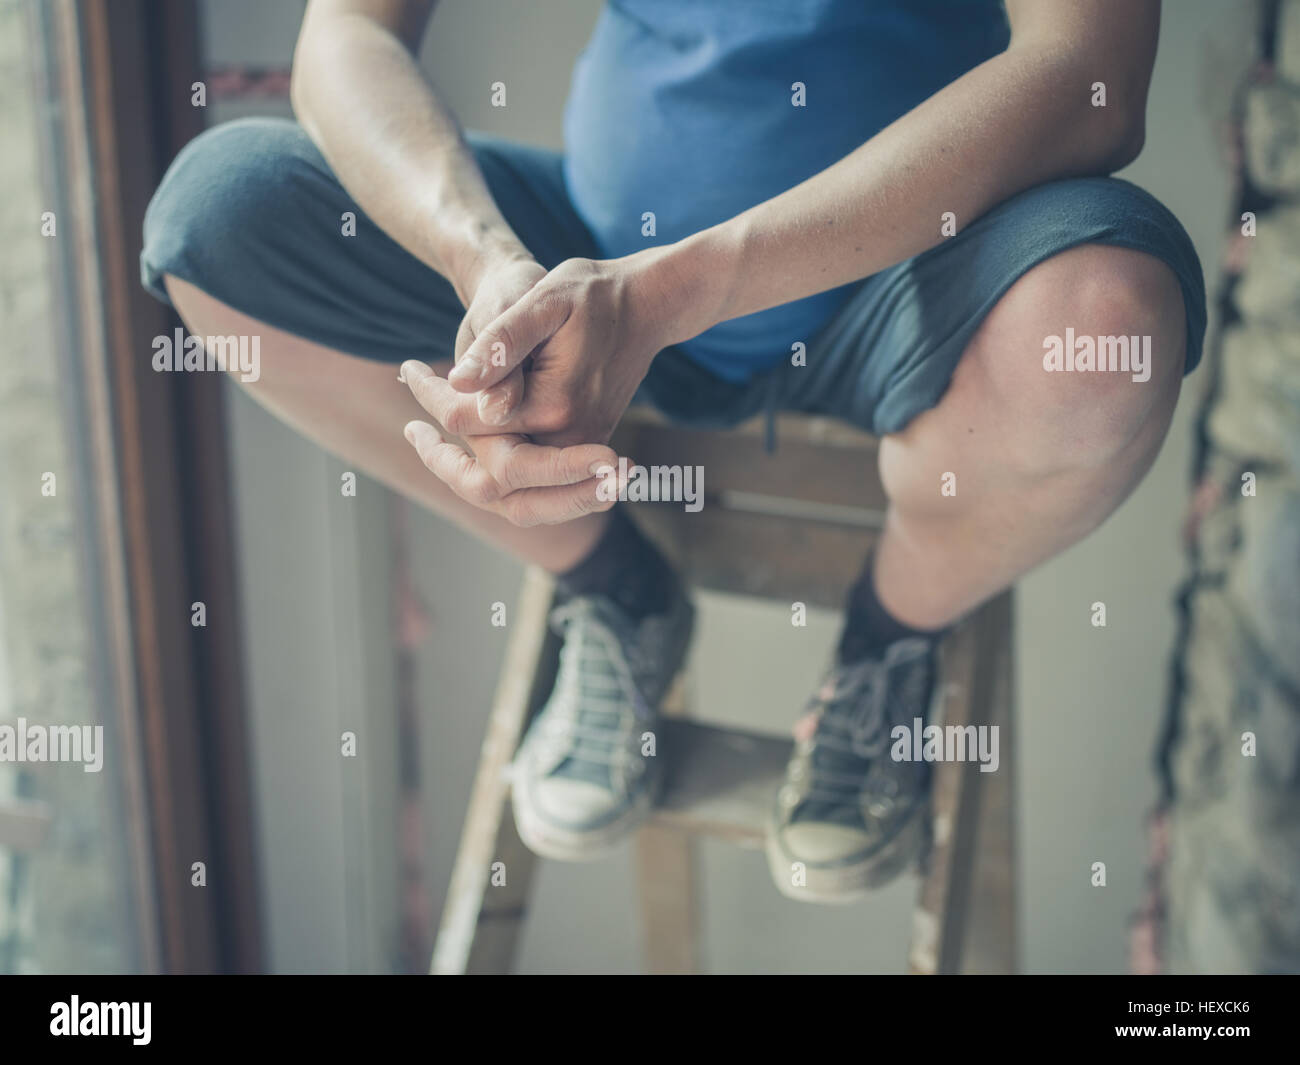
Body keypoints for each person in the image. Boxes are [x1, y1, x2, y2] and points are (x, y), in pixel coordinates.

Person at [141, 0, 1205, 902]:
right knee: (219, 219)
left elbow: (1090, 78)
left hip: (913, 279)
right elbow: (346, 36)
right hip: (591, 256)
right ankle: (618, 593)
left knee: (1105, 317)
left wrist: (674, 293)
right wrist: (487, 267)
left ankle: (888, 643)